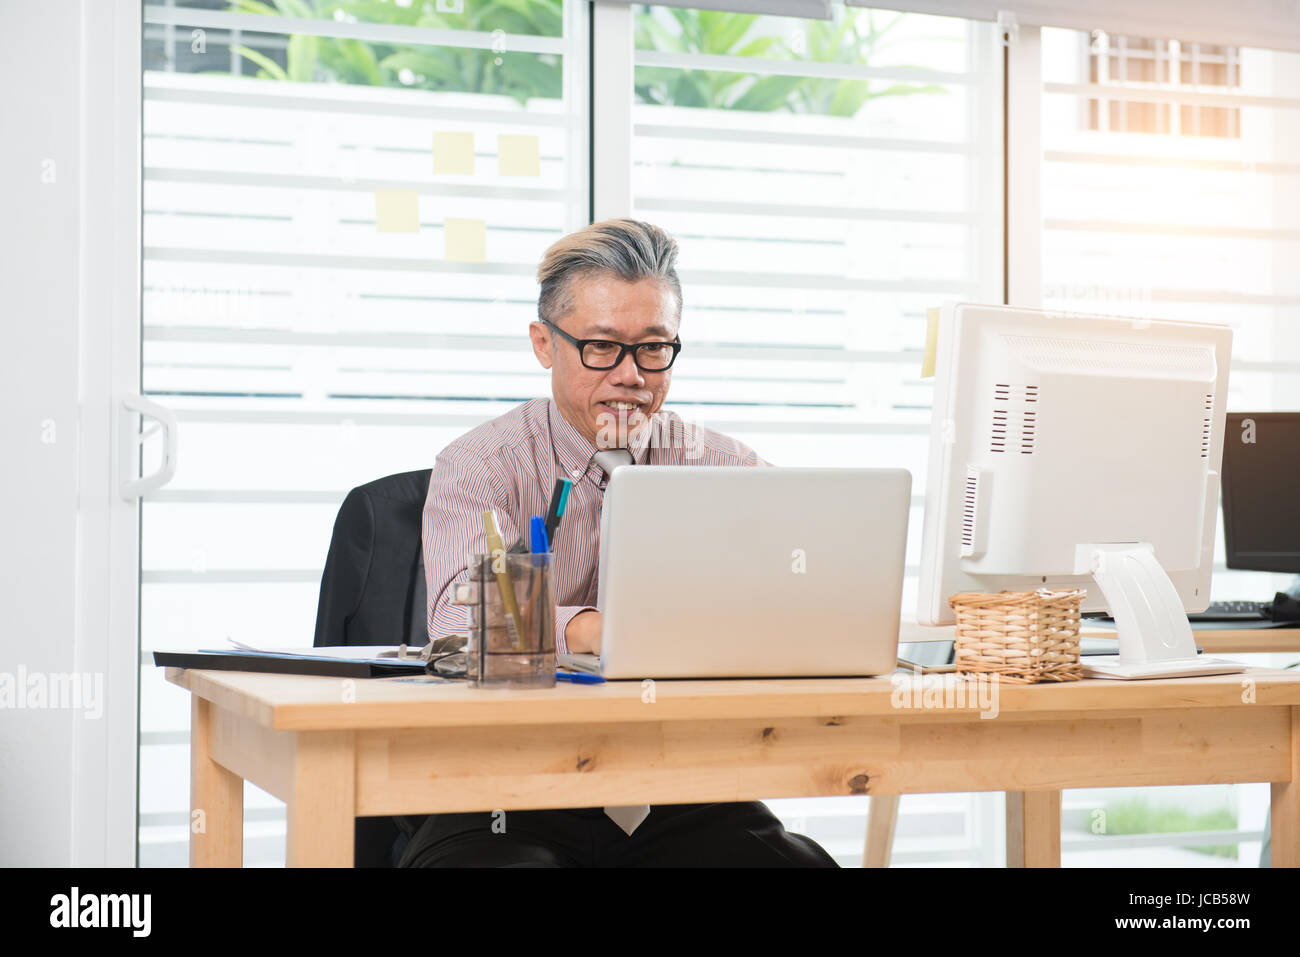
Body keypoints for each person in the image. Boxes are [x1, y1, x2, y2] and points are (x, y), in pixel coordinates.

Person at [400, 219, 837, 867]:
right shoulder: (482, 465)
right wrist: (590, 627)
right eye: (603, 347)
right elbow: (459, 627)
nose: (632, 375)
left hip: (677, 785)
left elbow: (811, 585)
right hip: (506, 783)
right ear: (545, 344)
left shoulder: (718, 464)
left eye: (654, 348)